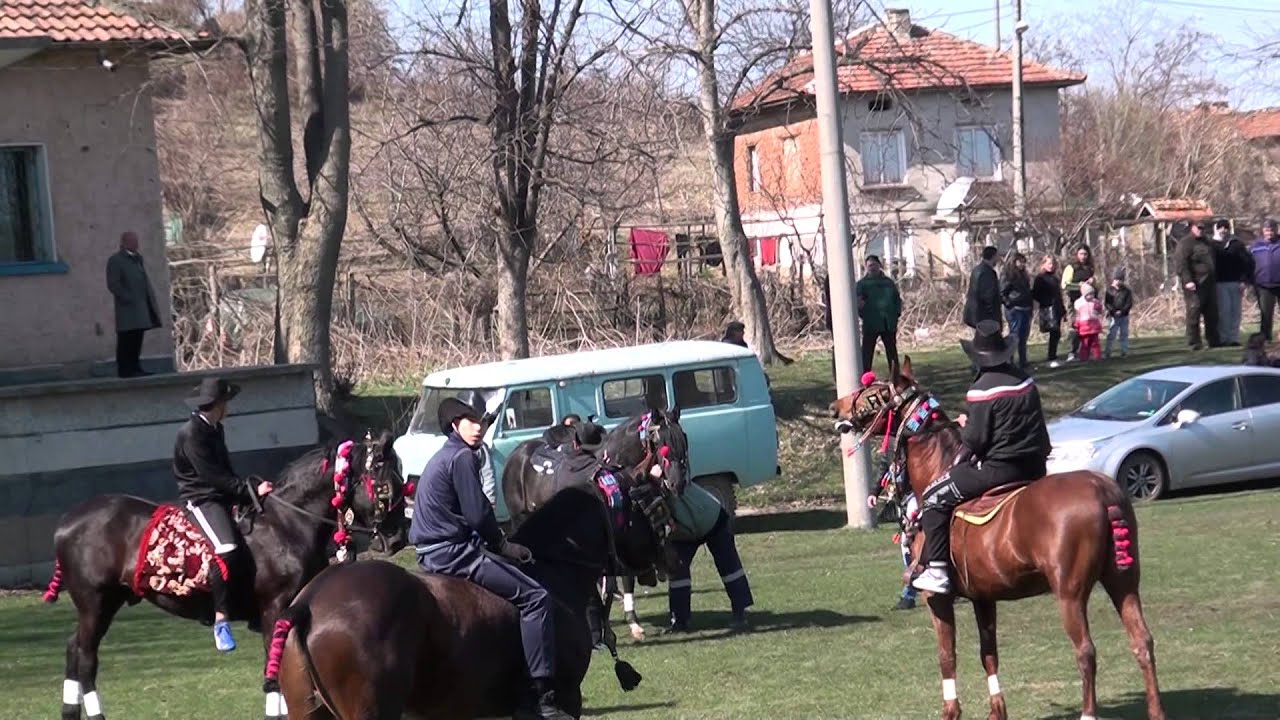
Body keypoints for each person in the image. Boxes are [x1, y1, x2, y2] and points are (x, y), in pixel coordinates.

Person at [411, 397, 571, 720]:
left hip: (431, 551)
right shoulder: (462, 458)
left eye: (482, 421)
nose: (479, 427)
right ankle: (538, 697)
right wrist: (504, 546)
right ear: (455, 425)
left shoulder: (447, 455)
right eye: (471, 421)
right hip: (453, 554)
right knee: (536, 597)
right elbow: (477, 514)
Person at [913, 321, 1051, 595]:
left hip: (1000, 469)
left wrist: (965, 425)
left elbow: (976, 441)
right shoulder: (1025, 379)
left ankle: (938, 569)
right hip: (1036, 466)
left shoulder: (981, 389)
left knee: (933, 496)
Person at [173, 377, 273, 653]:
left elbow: (225, 472)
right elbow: (212, 477)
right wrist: (250, 489)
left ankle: (252, 608)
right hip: (201, 499)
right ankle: (220, 621)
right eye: (226, 402)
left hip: (222, 494)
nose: (228, 407)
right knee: (226, 547)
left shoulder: (215, 428)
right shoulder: (192, 434)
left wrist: (247, 491)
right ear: (217, 405)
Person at [666, 480, 754, 634]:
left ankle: (741, 612)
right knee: (677, 570)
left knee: (729, 566)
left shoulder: (669, 476)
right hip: (685, 530)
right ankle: (680, 621)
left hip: (712, 519)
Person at [106, 231, 162, 378]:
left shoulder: (137, 259)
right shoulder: (116, 260)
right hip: (127, 309)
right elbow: (113, 284)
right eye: (132, 241)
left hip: (140, 307)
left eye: (136, 241)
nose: (136, 244)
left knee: (137, 337)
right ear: (124, 243)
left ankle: (136, 367)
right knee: (126, 338)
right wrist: (128, 298)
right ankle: (125, 370)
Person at [1173, 220, 1219, 350]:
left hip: (1209, 281)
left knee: (1212, 313)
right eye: (1198, 228)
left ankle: (1213, 340)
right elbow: (1181, 263)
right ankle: (1194, 342)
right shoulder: (1185, 243)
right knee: (1194, 311)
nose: (1200, 230)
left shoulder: (1207, 242)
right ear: (1192, 228)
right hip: (1195, 282)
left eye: (1202, 228)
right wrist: (1188, 280)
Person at [856, 255, 903, 376]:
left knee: (891, 351)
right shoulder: (862, 284)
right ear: (866, 267)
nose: (872, 268)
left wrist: (896, 314)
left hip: (888, 323)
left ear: (879, 265)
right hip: (871, 323)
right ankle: (865, 376)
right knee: (867, 352)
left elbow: (897, 299)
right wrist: (863, 314)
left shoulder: (888, 283)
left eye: (874, 265)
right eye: (869, 266)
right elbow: (858, 303)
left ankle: (895, 376)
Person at [1212, 218, 1253, 346]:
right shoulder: (1212, 245)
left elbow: (1247, 263)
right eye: (1220, 227)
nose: (1223, 230)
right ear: (1216, 229)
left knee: (1235, 311)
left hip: (1236, 283)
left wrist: (1244, 280)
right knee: (1224, 312)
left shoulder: (1236, 244)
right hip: (1219, 283)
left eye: (1226, 227)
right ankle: (1223, 338)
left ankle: (1233, 338)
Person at [1060, 245, 1095, 362]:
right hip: (1074, 301)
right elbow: (1065, 285)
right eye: (1081, 254)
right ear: (1076, 255)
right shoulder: (1071, 268)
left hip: (1088, 302)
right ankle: (1072, 352)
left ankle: (1085, 351)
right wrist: (1079, 285)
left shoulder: (1089, 268)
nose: (1083, 257)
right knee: (1075, 327)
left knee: (1087, 327)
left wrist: (1092, 282)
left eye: (1085, 254)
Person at [999, 252, 1033, 370]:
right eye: (1021, 262)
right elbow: (1002, 293)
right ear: (1014, 262)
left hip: (1025, 307)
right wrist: (1010, 303)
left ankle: (1023, 360)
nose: (1023, 264)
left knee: (1023, 336)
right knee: (1015, 335)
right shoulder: (1008, 275)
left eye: (1024, 262)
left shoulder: (1024, 275)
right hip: (1015, 309)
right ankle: (1009, 360)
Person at [1031, 254, 1066, 367]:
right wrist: (1045, 301)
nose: (1051, 266)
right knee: (1053, 331)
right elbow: (1035, 294)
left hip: (1057, 307)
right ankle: (1051, 355)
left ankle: (1053, 354)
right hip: (1047, 307)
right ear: (1044, 264)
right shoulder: (1040, 278)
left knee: (1057, 333)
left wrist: (1063, 310)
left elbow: (1059, 295)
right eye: (1049, 263)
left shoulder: (1055, 278)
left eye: (1053, 264)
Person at [1252, 220, 1280, 341]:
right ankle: (1266, 339)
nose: (1270, 233)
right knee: (1266, 314)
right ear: (1263, 230)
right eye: (1267, 230)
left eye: (1272, 230)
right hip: (1263, 285)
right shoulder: (1256, 245)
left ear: (1276, 229)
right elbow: (1249, 263)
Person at [963, 246, 1001, 330]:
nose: (998, 259)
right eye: (997, 256)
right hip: (984, 315)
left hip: (977, 313)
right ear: (993, 256)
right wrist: (991, 315)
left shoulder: (977, 269)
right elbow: (988, 295)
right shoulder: (986, 272)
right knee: (987, 341)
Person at [1105, 268, 1134, 359]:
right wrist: (1113, 311)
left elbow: (1129, 303)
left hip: (1124, 316)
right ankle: (1108, 352)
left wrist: (1122, 311)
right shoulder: (1109, 291)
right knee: (1111, 334)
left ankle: (1124, 351)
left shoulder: (1127, 291)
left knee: (1124, 334)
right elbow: (1107, 303)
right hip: (1113, 316)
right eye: (1116, 279)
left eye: (1119, 280)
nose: (1117, 282)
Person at [1073, 282, 1104, 361]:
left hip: (1094, 327)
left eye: (1092, 294)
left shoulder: (1095, 303)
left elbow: (1100, 311)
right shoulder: (1080, 304)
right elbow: (1078, 316)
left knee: (1095, 344)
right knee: (1085, 344)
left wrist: (1099, 307)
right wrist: (1076, 325)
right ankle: (1083, 358)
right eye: (1089, 294)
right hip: (1084, 328)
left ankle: (1097, 357)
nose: (1091, 296)